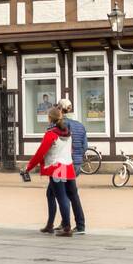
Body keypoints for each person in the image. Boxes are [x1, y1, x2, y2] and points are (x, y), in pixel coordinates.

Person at [23, 105, 75, 236]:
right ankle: (50, 224)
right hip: (67, 167)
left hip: (56, 168)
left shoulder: (51, 134)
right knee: (51, 194)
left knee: (61, 197)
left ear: (49, 118)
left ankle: (67, 227)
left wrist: (28, 167)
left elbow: (40, 153)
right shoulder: (67, 133)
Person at [57, 96, 88, 235]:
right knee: (70, 193)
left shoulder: (61, 124)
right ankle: (77, 224)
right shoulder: (80, 126)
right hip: (76, 163)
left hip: (64, 163)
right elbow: (85, 146)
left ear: (60, 109)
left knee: (62, 193)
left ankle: (67, 224)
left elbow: (57, 144)